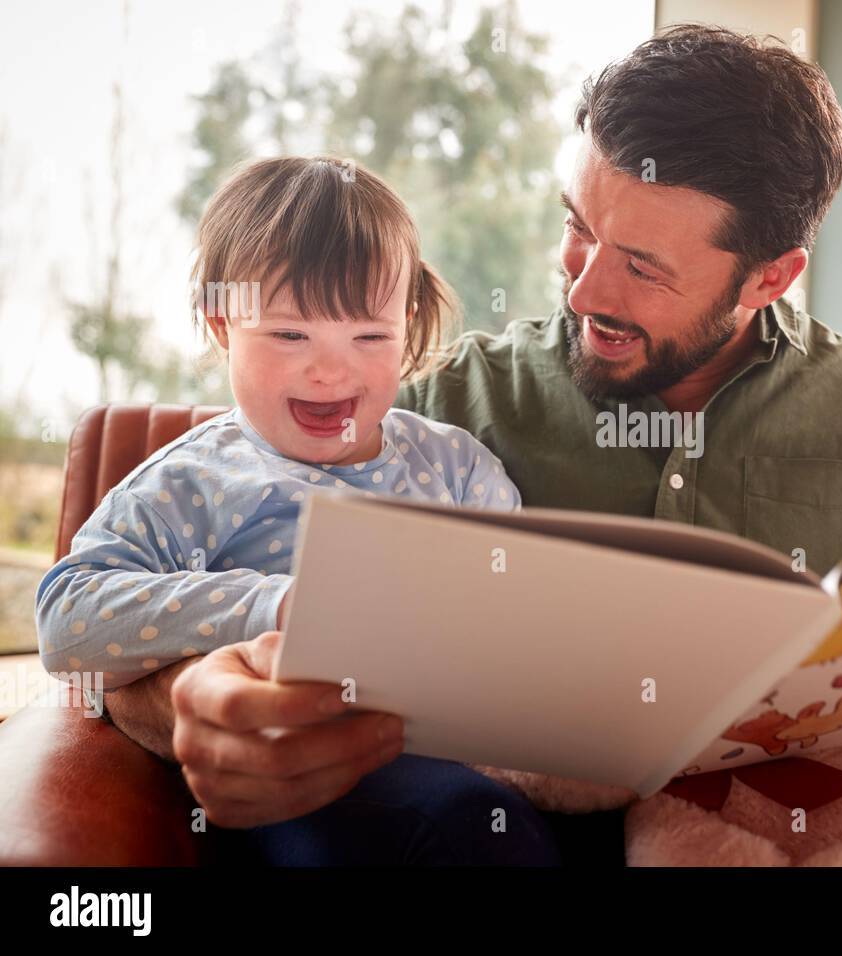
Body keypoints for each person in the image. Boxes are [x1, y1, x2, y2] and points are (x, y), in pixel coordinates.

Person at [99, 26, 842, 865]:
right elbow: (172, 600)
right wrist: (191, 699)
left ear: (770, 275)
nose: (582, 284)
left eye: (643, 266)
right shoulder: (437, 411)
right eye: (578, 225)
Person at [35, 156, 562, 865]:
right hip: (291, 779)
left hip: (464, 765)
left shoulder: (456, 466)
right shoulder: (195, 479)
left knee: (486, 822)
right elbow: (68, 620)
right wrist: (279, 607)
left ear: (407, 328)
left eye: (369, 337)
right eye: (290, 335)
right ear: (222, 325)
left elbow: (527, 609)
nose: (331, 370)